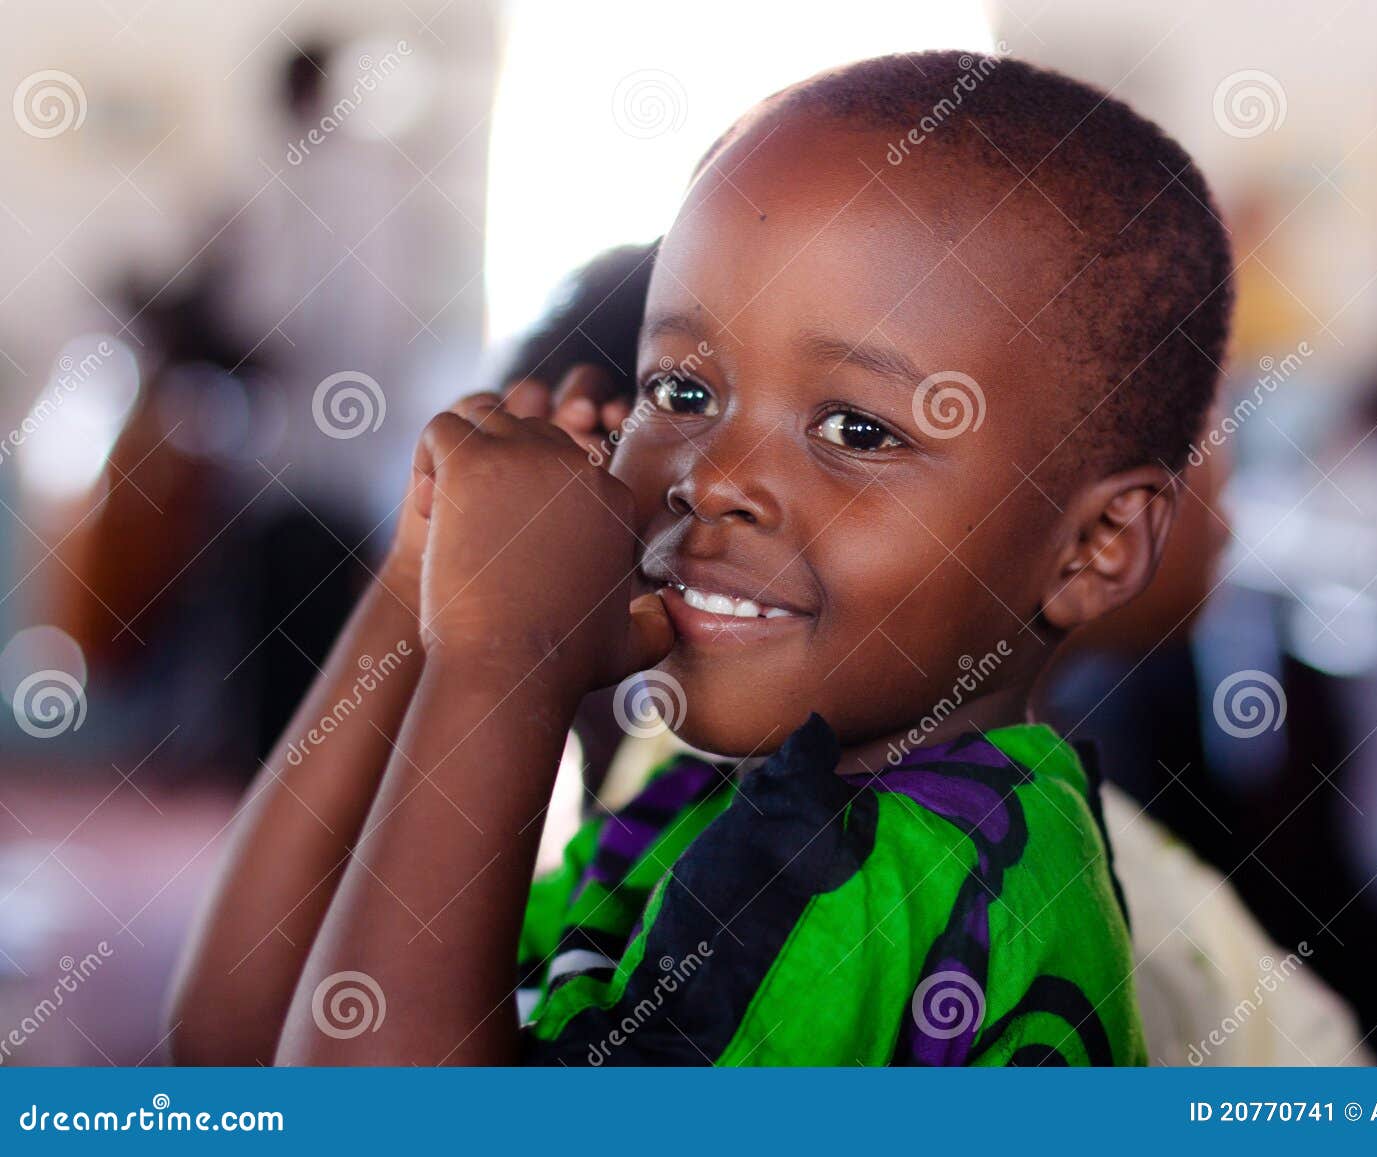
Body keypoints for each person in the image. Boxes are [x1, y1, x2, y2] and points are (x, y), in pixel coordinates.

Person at [169, 50, 1232, 1066]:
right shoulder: (712, 800)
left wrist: (500, 662)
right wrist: (421, 584)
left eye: (858, 431)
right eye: (682, 391)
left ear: (1094, 544)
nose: (710, 477)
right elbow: (242, 1044)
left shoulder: (898, 875)